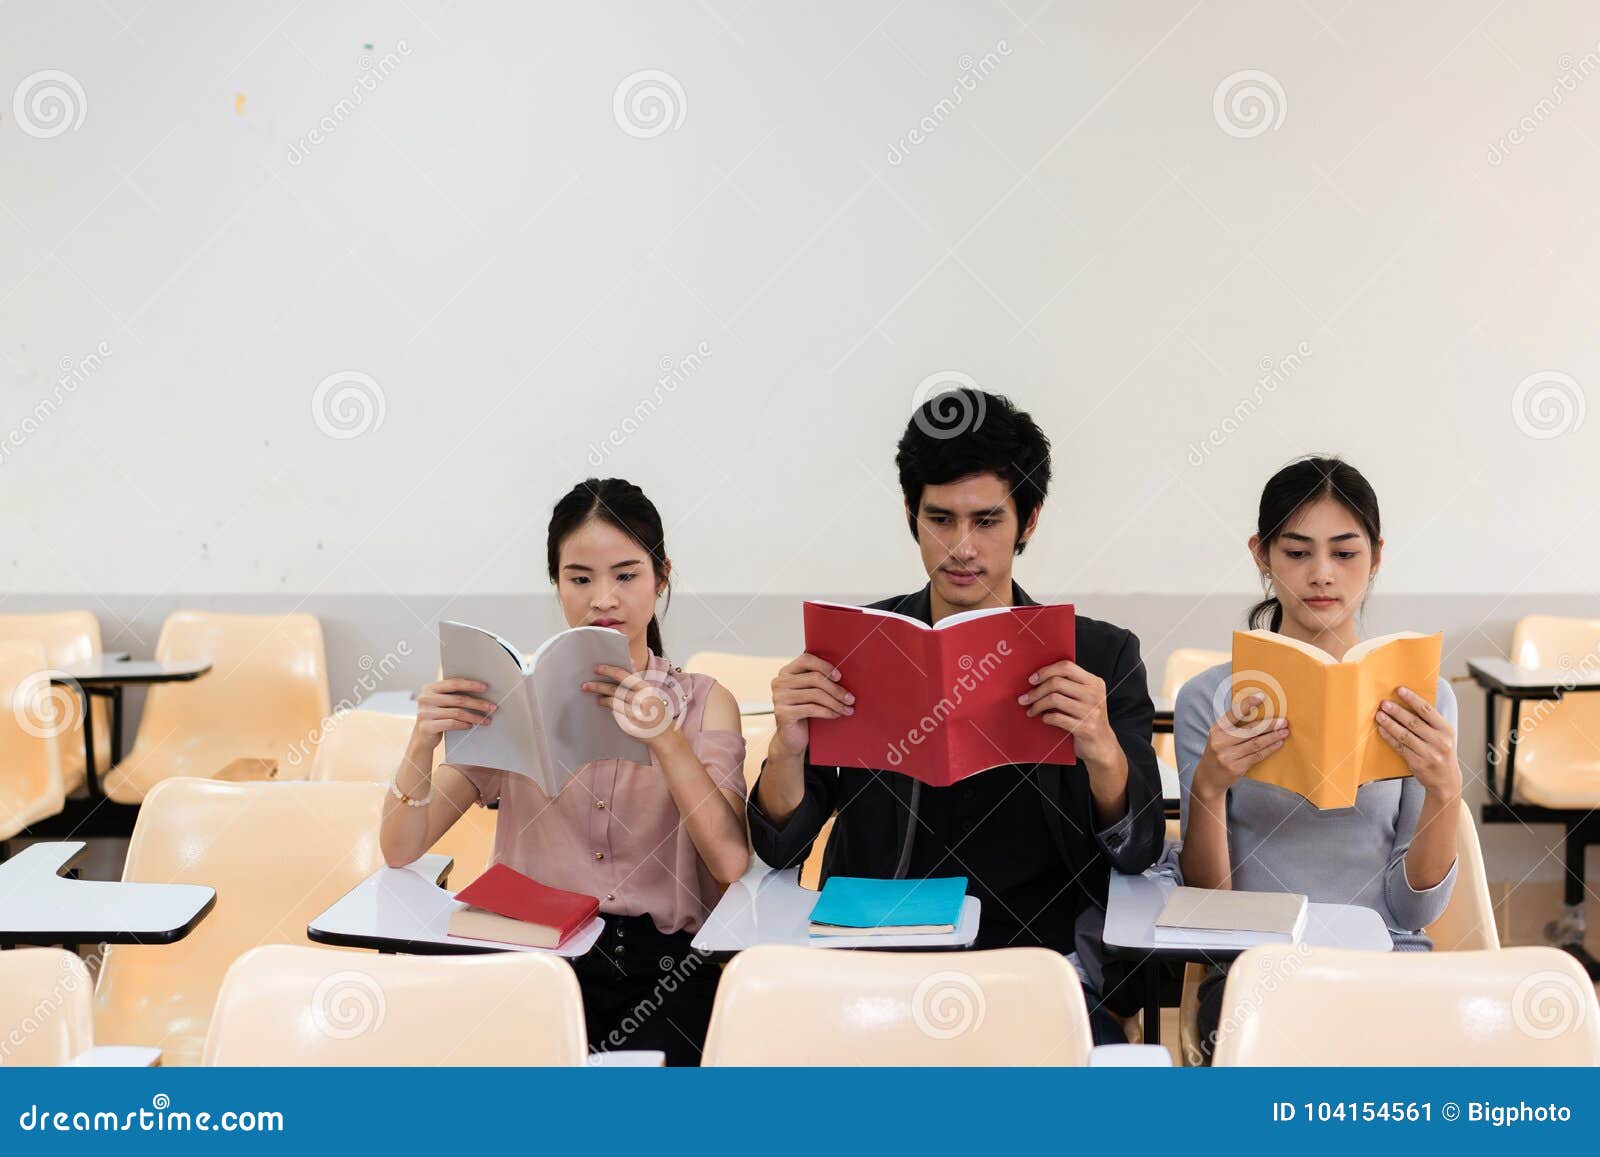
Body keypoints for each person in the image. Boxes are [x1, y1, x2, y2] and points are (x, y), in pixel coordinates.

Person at [749, 387, 1166, 1043]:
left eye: (987, 520)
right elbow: (779, 842)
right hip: (881, 957)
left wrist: (1103, 751)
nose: (961, 547)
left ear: (1028, 521)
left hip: (1041, 962)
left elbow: (1140, 849)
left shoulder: (1101, 655)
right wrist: (788, 745)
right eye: (940, 519)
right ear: (912, 517)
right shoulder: (861, 643)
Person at [379, 477, 750, 1066]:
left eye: (626, 575)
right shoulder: (517, 697)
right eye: (580, 578)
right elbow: (401, 848)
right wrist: (422, 741)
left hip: (660, 969)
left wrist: (667, 742)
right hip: (528, 958)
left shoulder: (705, 702)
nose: (604, 598)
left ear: (662, 577)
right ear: (557, 584)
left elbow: (730, 864)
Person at [1176, 455, 1460, 1064]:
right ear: (1262, 554)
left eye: (1345, 553)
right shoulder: (1209, 699)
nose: (1322, 575)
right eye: (1297, 552)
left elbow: (1415, 912)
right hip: (1255, 967)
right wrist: (1209, 789)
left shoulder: (1425, 696)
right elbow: (1212, 909)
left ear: (1376, 557)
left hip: (1384, 963)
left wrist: (1445, 793)